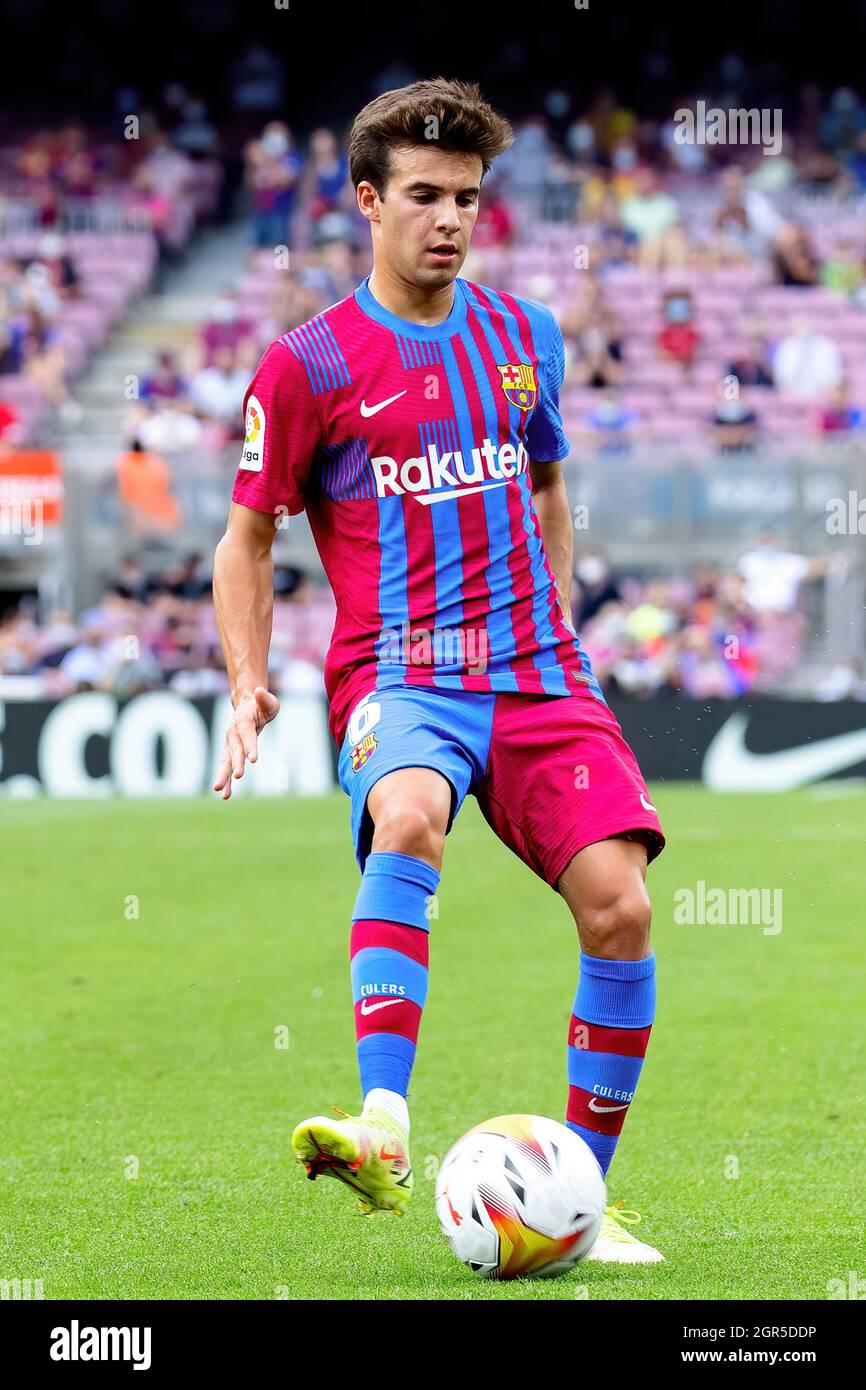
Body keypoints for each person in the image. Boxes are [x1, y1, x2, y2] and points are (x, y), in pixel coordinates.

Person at [213, 79, 666, 1264]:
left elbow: (550, 480)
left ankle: (579, 1205)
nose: (448, 218)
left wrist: (553, 620)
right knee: (407, 814)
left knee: (619, 908)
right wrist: (243, 678)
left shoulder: (526, 338)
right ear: (367, 201)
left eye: (465, 196)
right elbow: (247, 534)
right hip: (399, 672)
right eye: (421, 195)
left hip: (532, 671)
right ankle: (379, 1127)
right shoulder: (305, 365)